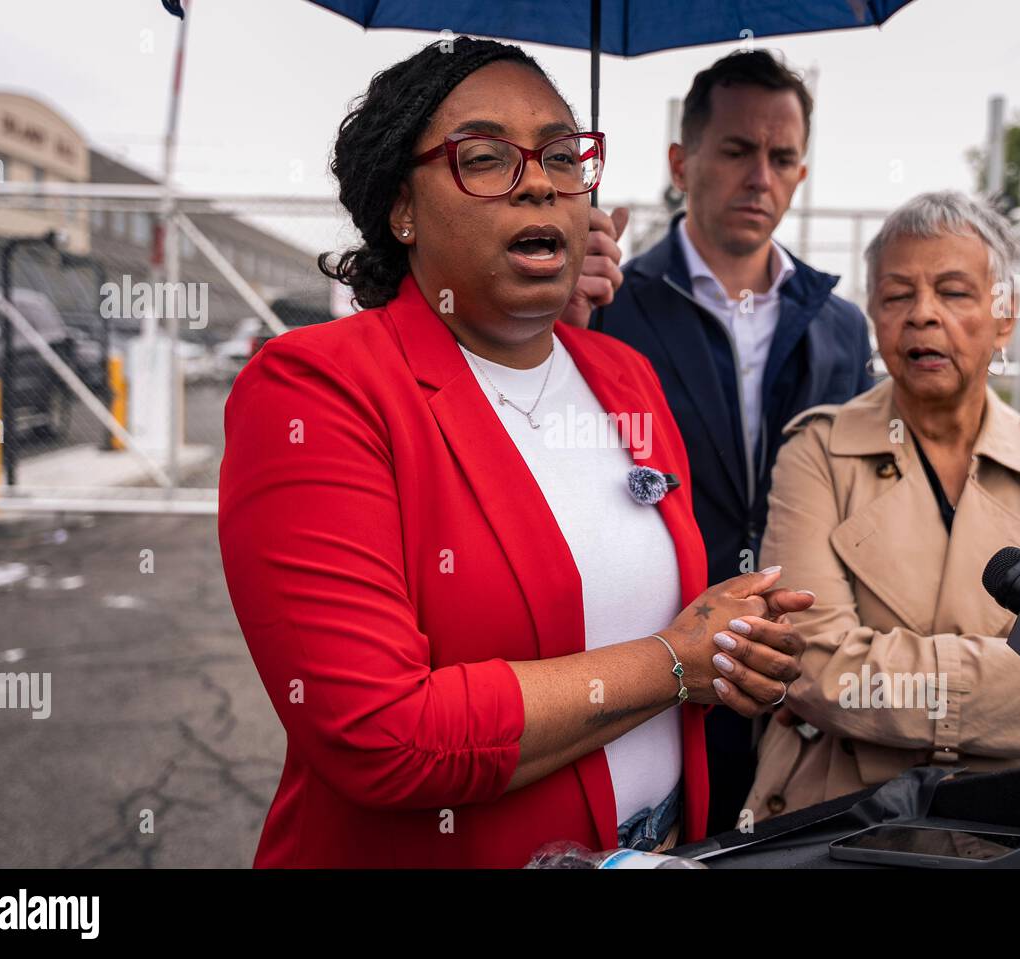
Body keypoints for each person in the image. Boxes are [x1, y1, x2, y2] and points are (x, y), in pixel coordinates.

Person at [217, 36, 812, 868]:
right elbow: (382, 733)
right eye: (487, 157)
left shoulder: (625, 376)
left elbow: (640, 605)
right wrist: (679, 663)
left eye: (563, 156)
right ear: (402, 207)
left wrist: (733, 643)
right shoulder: (318, 390)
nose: (539, 179)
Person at [745, 191, 1020, 820]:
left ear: (1005, 316)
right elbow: (813, 669)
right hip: (837, 809)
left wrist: (894, 680)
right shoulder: (817, 453)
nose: (922, 315)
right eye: (896, 295)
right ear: (874, 317)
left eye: (954, 292)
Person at [599, 49, 873, 832]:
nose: (761, 175)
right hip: (659, 662)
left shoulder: (838, 324)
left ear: (801, 173)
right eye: (736, 150)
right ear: (681, 163)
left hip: (803, 667)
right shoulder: (608, 308)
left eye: (782, 156)